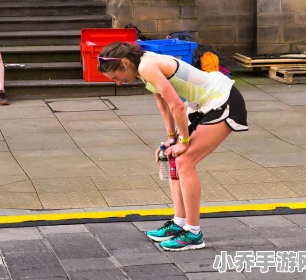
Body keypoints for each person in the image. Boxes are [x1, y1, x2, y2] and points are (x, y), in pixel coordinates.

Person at [97, 42, 248, 251]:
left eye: (116, 77)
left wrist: (184, 141)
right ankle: (179, 223)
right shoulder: (142, 66)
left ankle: (194, 233)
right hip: (203, 104)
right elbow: (163, 104)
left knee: (185, 160)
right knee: (172, 156)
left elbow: (176, 104)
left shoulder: (146, 66)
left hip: (222, 99)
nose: (119, 83)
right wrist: (171, 139)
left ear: (124, 63)